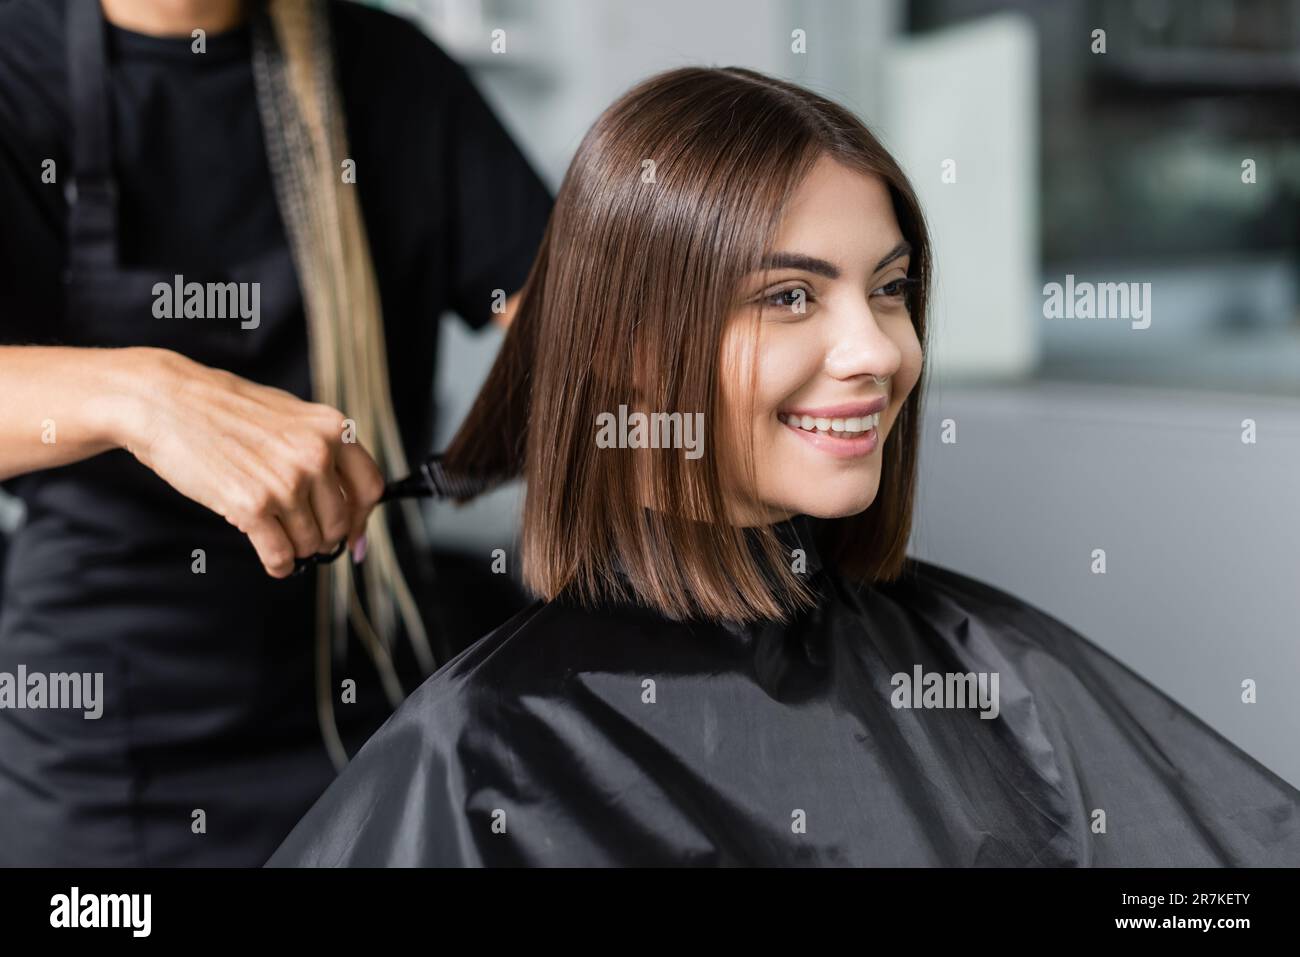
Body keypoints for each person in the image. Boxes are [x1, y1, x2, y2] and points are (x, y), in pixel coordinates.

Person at [266, 65, 1300, 867]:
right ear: (629, 346)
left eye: (888, 289)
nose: (876, 352)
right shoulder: (481, 754)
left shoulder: (990, 674)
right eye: (790, 297)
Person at [0, 0, 552, 866]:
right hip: (107, 752)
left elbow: (578, 332)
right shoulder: (16, 66)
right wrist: (145, 394)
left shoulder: (389, 73)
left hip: (376, 720)